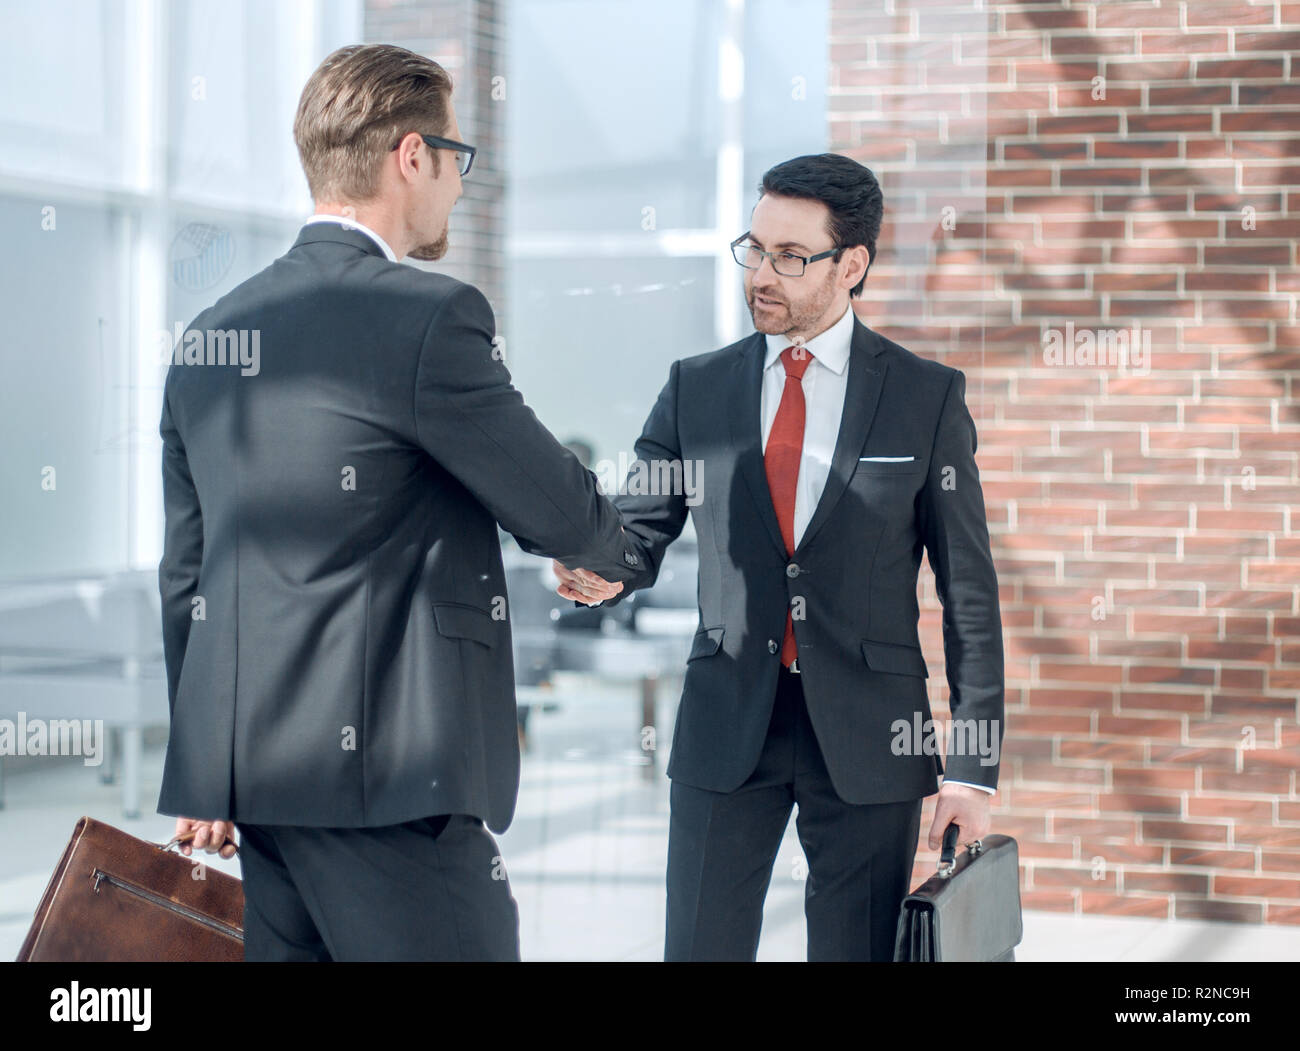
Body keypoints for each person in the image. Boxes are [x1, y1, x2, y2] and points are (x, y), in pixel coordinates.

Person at [157, 43, 631, 961]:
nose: (460, 185)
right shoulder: (429, 318)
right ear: (410, 156)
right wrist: (599, 547)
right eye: (459, 158)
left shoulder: (209, 337)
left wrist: (206, 767)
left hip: (265, 797)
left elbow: (192, 574)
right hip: (393, 785)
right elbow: (559, 504)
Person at [554, 154, 1005, 961]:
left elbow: (968, 590)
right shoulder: (696, 388)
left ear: (853, 264)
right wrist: (591, 568)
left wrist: (972, 769)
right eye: (754, 249)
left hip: (874, 739)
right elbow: (639, 532)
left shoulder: (924, 397)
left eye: (791, 258)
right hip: (729, 724)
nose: (762, 274)